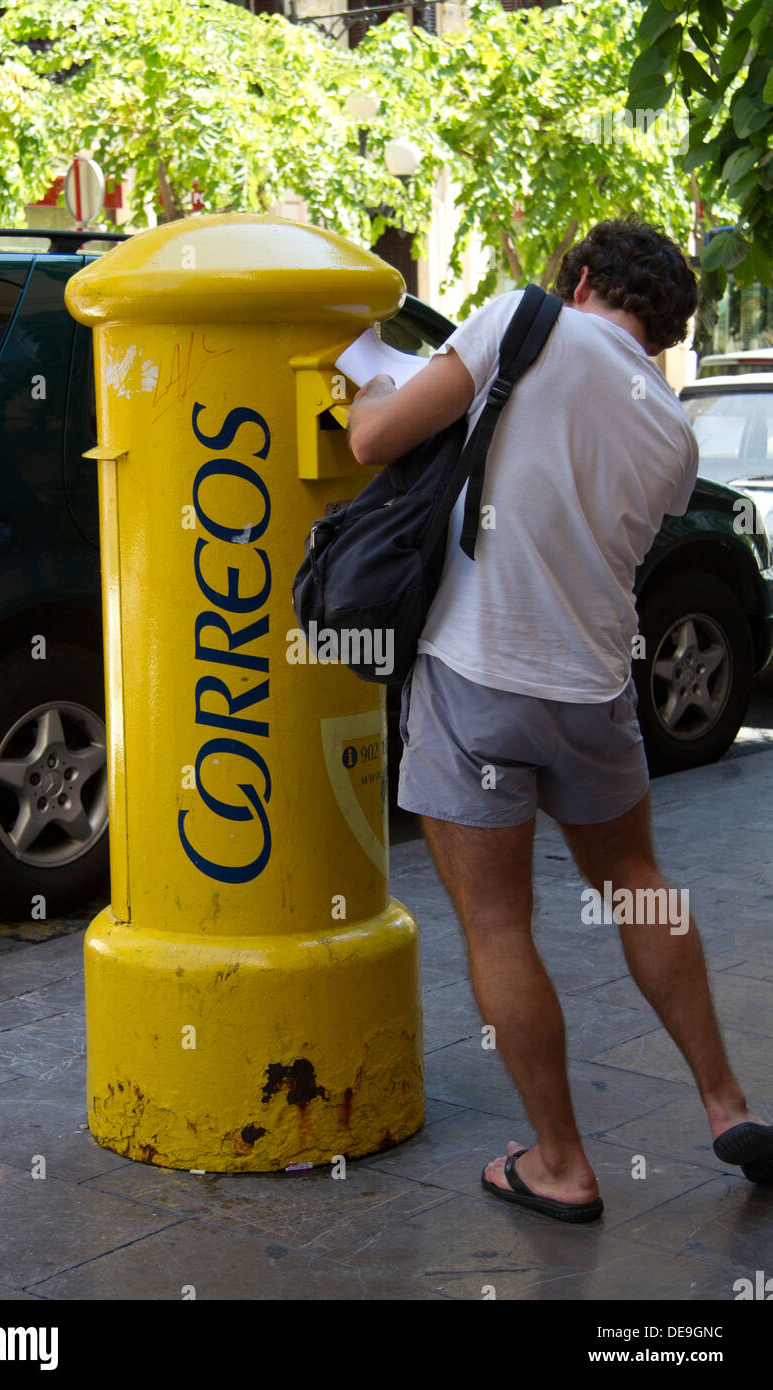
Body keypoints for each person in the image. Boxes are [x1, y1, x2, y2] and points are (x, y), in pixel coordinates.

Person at [346, 217, 773, 1222]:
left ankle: (560, 1163)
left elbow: (374, 438)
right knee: (636, 886)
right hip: (593, 687)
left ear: (579, 276)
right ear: (664, 325)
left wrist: (368, 374)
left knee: (497, 922)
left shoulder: (521, 320)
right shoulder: (672, 430)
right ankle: (725, 1103)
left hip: (475, 672)